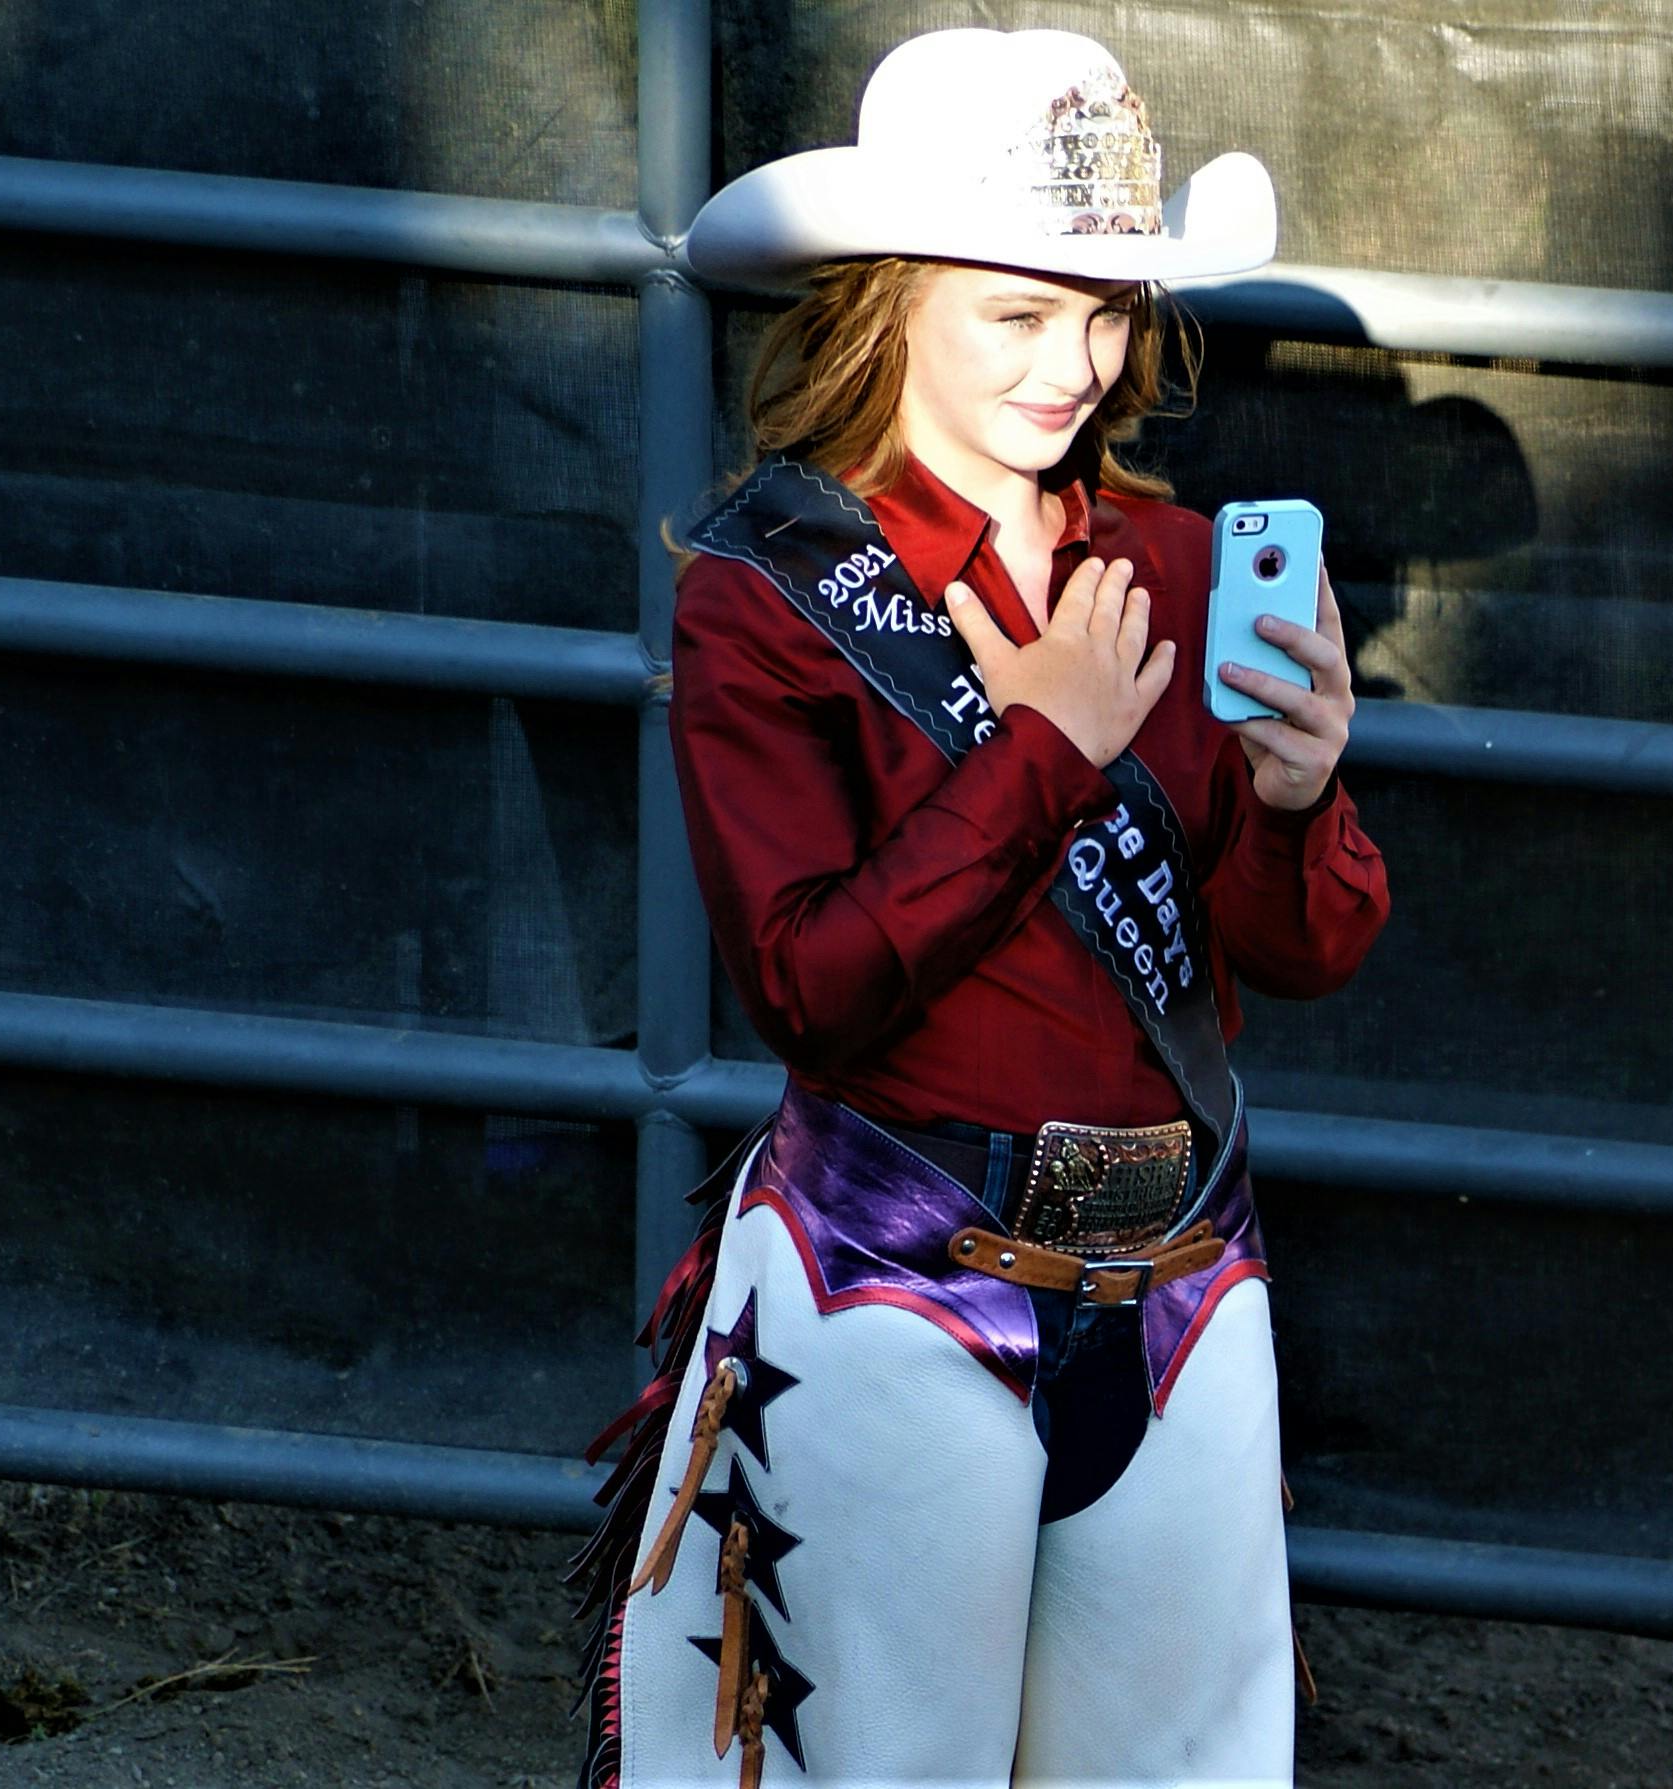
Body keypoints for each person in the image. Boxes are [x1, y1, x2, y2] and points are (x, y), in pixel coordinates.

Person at [569, 28, 1391, 1789]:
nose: (1074, 366)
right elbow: (809, 986)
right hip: (887, 1277)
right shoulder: (771, 597)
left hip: (1186, 1281)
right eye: (1015, 315)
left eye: (1105, 312)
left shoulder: (1173, 568)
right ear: (887, 307)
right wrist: (1042, 751)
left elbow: (1301, 951)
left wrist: (1302, 796)